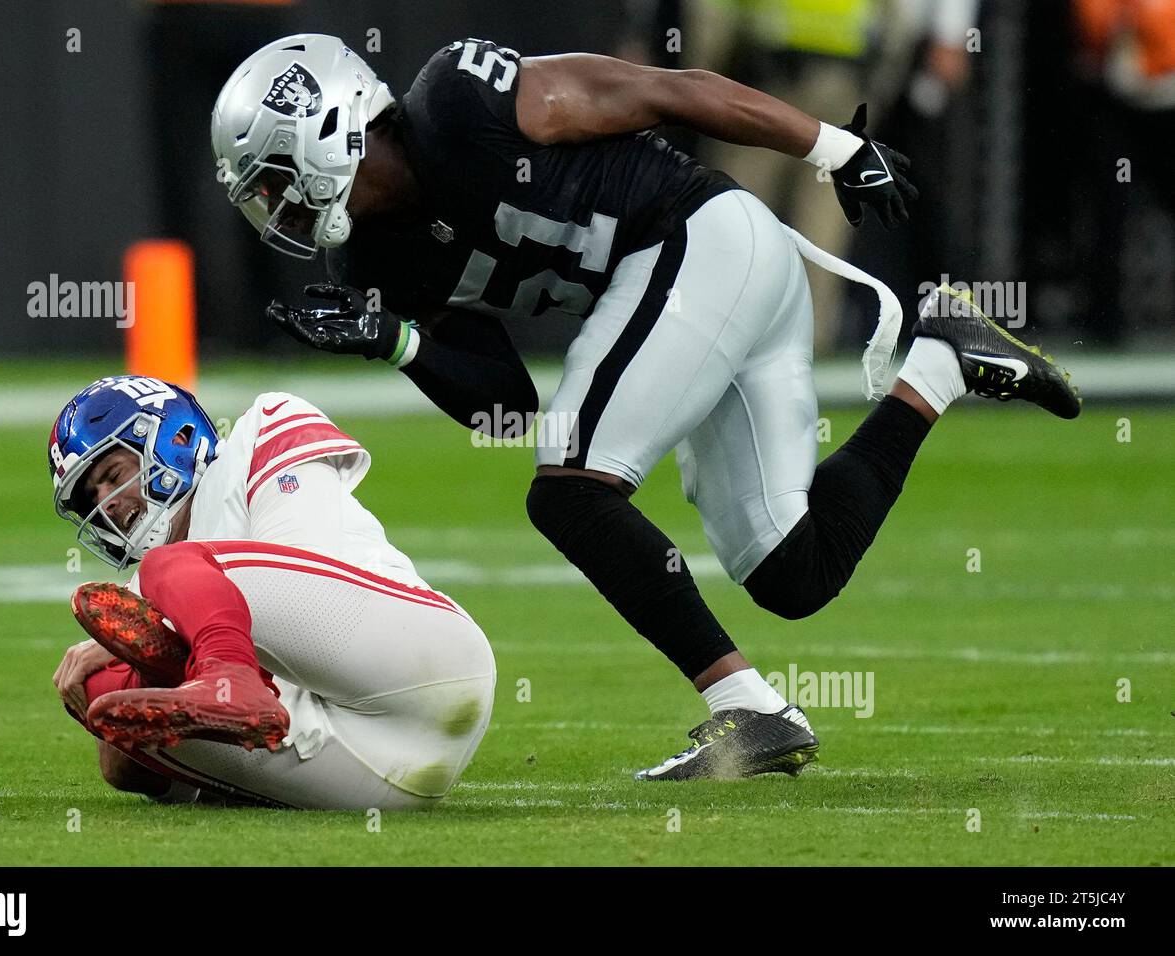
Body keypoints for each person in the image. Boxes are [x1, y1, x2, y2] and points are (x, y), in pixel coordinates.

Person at [210, 35, 1080, 780]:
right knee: (791, 570)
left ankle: (749, 711)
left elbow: (670, 92)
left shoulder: (461, 102)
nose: (275, 207)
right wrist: (398, 344)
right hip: (697, 289)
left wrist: (830, 149)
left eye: (276, 179)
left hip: (702, 240)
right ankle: (940, 363)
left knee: (569, 490)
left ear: (332, 128)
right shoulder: (372, 262)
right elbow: (506, 407)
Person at [47, 374, 495, 809]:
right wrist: (107, 707)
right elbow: (131, 773)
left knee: (169, 568)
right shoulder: (163, 585)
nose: (107, 502)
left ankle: (228, 676)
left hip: (422, 666)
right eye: (92, 496)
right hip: (375, 770)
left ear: (175, 437)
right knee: (96, 682)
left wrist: (164, 618)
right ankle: (222, 679)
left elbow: (314, 590)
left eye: (111, 473)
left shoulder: (262, 430)